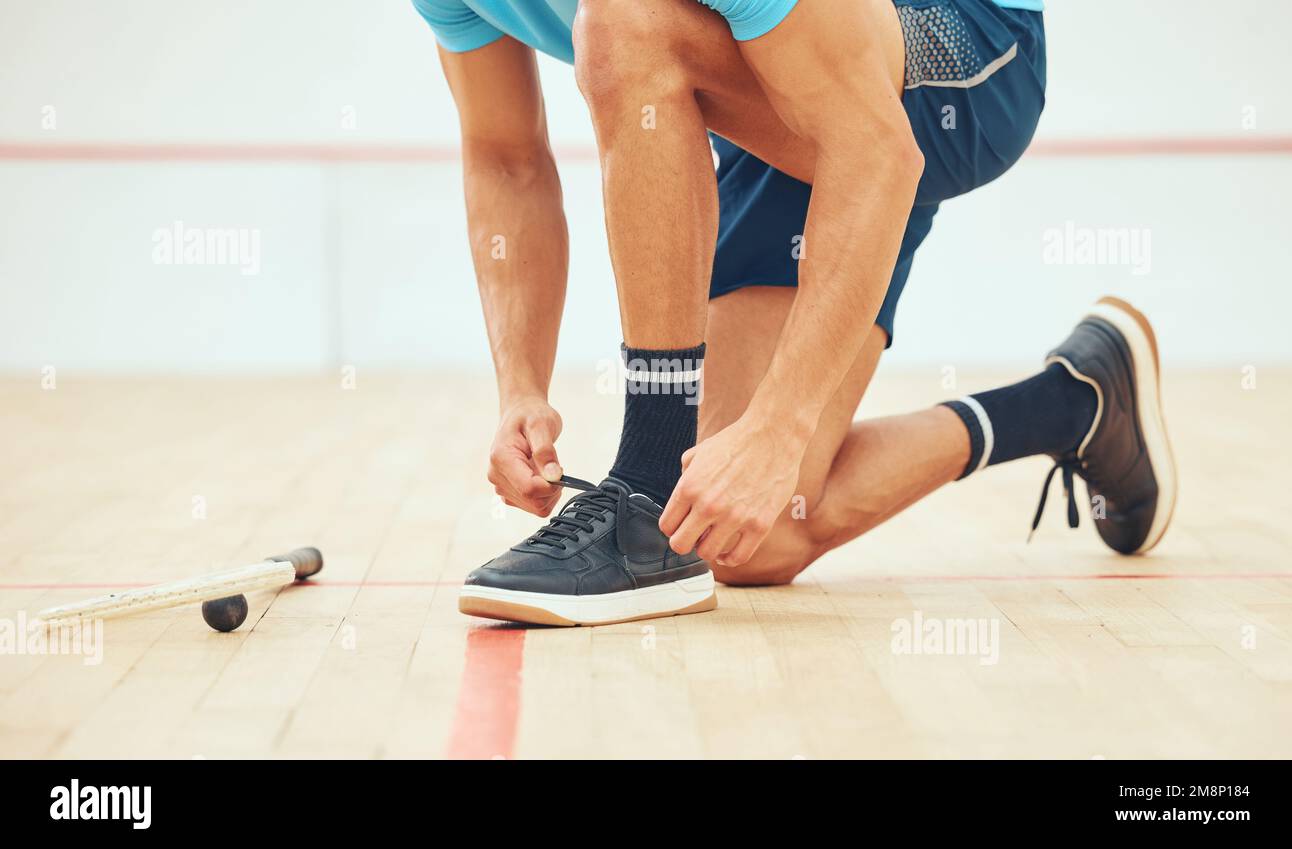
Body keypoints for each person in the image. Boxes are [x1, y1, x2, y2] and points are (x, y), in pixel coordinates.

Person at [414, 0, 1176, 626]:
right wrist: (521, 386)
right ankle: (1075, 402)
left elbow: (879, 150)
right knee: (741, 534)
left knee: (623, 23)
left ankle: (639, 486)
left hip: (959, 54)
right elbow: (503, 154)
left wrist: (782, 423)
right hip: (781, 77)